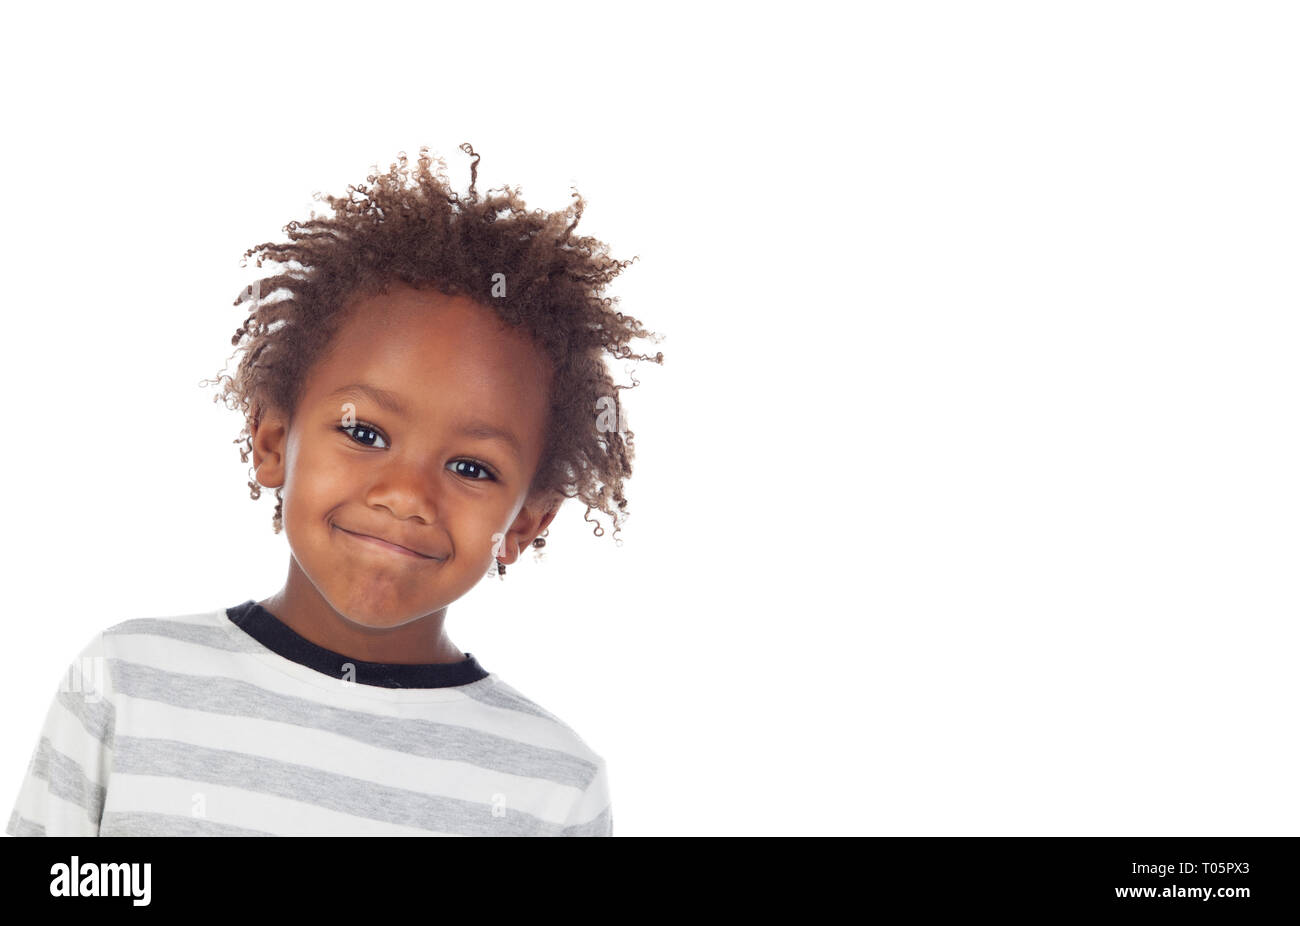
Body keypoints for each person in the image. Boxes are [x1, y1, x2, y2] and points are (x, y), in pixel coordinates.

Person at [6, 145, 663, 836]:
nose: (405, 495)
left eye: (472, 468)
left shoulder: (551, 787)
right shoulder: (127, 682)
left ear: (526, 525)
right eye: (366, 434)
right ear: (271, 440)